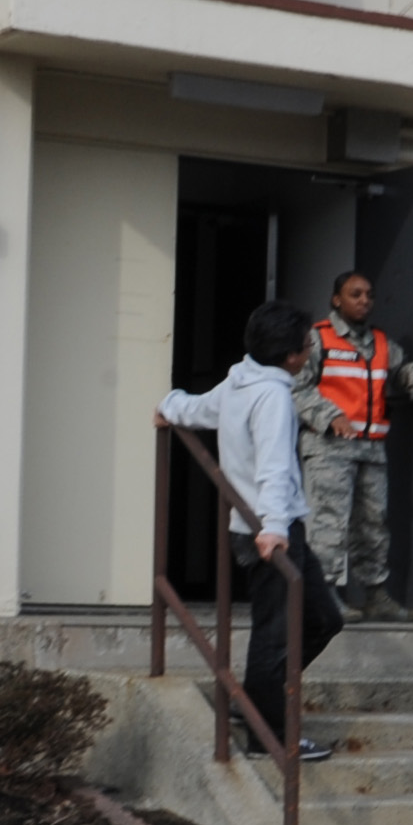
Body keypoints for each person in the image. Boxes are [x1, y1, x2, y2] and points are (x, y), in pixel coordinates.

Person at [157, 301, 341, 764]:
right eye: (306, 346)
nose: (310, 350)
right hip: (269, 529)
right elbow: (274, 466)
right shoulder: (273, 396)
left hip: (260, 525)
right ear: (291, 356)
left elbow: (196, 409)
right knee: (275, 634)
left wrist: (168, 405)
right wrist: (275, 527)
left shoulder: (240, 381)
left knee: (323, 619)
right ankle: (268, 736)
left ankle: (256, 702)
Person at [302, 268, 413, 623]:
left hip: (371, 446)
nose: (364, 301)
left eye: (368, 295)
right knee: (330, 522)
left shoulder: (381, 342)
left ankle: (375, 595)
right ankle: (324, 594)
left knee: (373, 523)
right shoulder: (316, 339)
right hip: (329, 446)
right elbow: (295, 387)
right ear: (337, 299)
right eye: (355, 294)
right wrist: (328, 415)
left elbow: (398, 372)